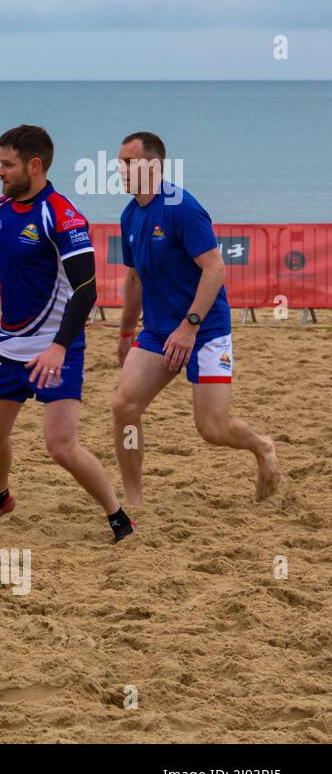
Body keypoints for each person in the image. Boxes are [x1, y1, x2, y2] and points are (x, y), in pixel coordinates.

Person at [0, 125, 134, 542]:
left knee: (61, 446)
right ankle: (0, 495)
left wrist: (58, 348)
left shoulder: (63, 215)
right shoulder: (0, 210)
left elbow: (86, 289)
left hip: (58, 348)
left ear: (34, 166)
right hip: (9, 347)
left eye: (7, 164)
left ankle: (117, 514)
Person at [111, 131, 280, 504]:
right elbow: (135, 279)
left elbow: (214, 269)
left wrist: (189, 327)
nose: (119, 170)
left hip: (205, 330)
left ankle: (262, 447)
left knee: (212, 428)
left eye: (128, 163)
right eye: (118, 163)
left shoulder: (182, 207)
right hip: (157, 333)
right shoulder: (129, 215)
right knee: (124, 407)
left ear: (153, 166)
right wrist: (125, 333)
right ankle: (134, 503)